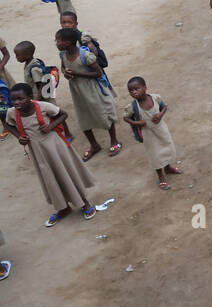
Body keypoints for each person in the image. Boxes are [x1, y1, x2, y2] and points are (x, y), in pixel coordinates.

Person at [2, 84, 97, 226]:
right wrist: (19, 137)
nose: (16, 103)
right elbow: (7, 124)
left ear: (30, 97)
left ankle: (84, 203)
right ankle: (63, 208)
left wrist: (50, 127)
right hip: (37, 152)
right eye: (13, 99)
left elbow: (64, 114)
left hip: (55, 147)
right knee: (50, 178)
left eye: (20, 99)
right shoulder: (12, 113)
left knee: (66, 172)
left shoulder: (43, 106)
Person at [55, 27, 119, 161]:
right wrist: (65, 73)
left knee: (104, 112)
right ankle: (94, 145)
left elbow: (98, 72)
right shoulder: (63, 55)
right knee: (83, 117)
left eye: (59, 41)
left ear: (68, 43)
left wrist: (78, 74)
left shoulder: (85, 55)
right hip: (78, 92)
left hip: (92, 89)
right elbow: (63, 67)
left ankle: (114, 141)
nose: (56, 43)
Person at [122, 76, 182, 190]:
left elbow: (164, 107)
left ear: (145, 88)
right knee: (155, 155)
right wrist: (137, 123)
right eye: (131, 90)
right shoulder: (133, 107)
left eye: (136, 89)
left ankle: (168, 168)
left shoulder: (155, 98)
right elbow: (125, 118)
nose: (133, 92)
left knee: (166, 148)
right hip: (148, 134)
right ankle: (161, 176)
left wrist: (160, 114)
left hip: (161, 130)